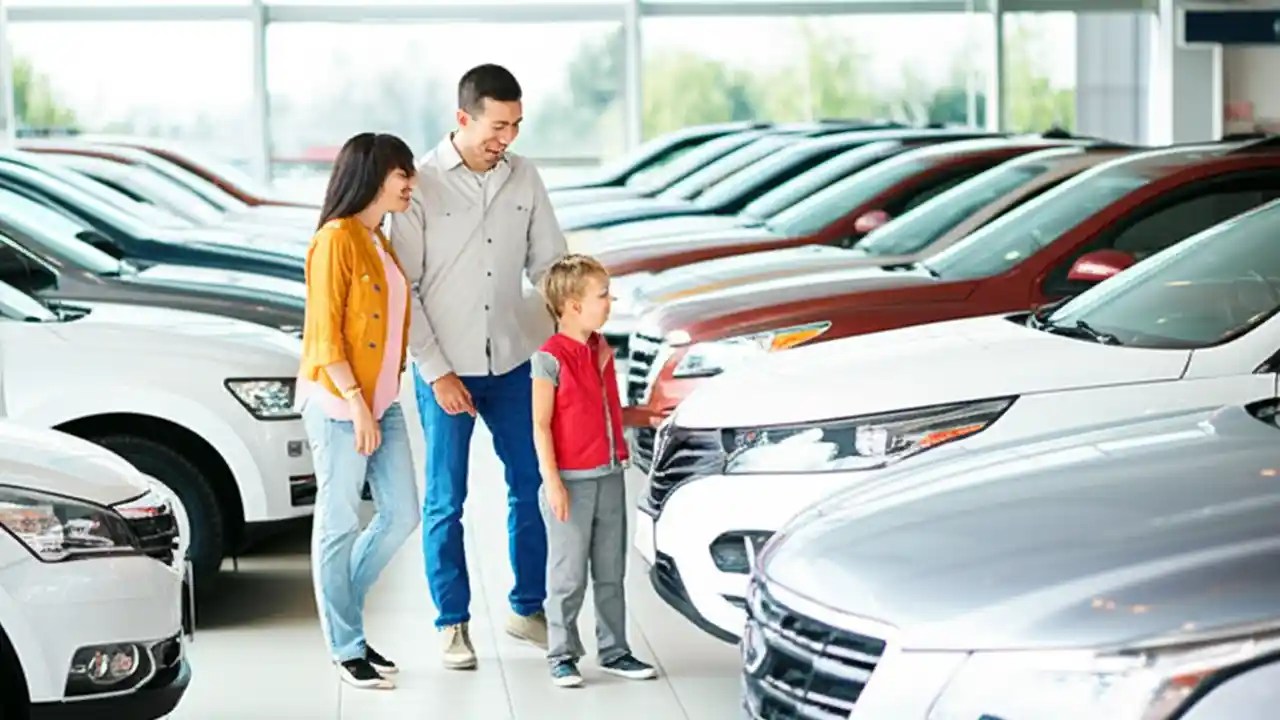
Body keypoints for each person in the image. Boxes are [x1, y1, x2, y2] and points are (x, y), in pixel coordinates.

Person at [390, 63, 567, 670]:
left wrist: (573, 321)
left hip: (514, 360)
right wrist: (436, 371)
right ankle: (453, 622)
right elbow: (404, 288)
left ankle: (528, 607)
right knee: (446, 500)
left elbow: (549, 263)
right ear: (462, 117)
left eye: (517, 125)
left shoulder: (525, 177)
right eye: (498, 125)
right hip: (446, 367)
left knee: (535, 486)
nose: (508, 138)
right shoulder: (420, 183)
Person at [297, 132, 422, 690]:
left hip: (381, 401)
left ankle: (341, 611)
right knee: (340, 519)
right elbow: (324, 337)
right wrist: (356, 405)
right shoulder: (336, 239)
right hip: (339, 401)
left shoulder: (379, 241)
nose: (410, 184)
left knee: (401, 515)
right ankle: (345, 643)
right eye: (403, 174)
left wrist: (377, 403)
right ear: (375, 175)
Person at [531, 254, 657, 688]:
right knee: (566, 576)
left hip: (609, 476)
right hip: (569, 482)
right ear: (571, 305)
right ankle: (561, 654)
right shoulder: (549, 358)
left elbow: (605, 412)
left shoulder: (601, 349)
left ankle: (614, 650)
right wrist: (552, 482)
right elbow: (541, 424)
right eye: (602, 295)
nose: (610, 301)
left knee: (610, 572)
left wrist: (646, 416)